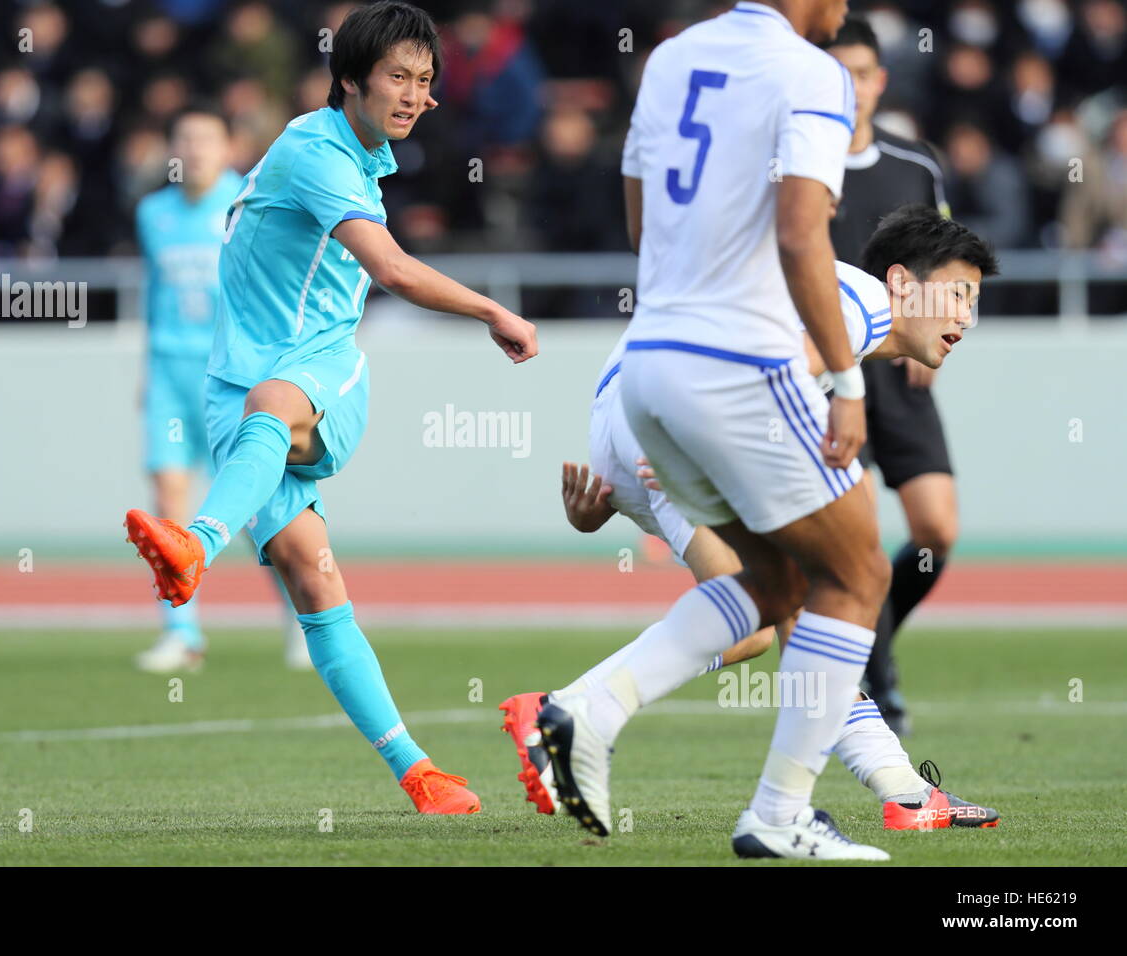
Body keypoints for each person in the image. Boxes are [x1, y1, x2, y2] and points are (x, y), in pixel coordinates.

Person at [123, 1, 538, 814]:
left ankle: (195, 542)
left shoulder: (335, 150)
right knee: (312, 579)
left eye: (425, 81)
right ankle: (419, 773)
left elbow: (382, 270)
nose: (415, 95)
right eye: (398, 77)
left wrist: (491, 311)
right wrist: (493, 310)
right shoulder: (319, 151)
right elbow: (391, 267)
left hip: (316, 375)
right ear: (349, 79)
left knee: (274, 407)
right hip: (237, 395)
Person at [527, 0, 897, 859]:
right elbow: (803, 236)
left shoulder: (668, 59)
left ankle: (591, 707)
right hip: (739, 360)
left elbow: (638, 223)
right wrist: (845, 379)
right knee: (858, 570)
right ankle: (778, 813)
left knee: (776, 586)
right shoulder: (814, 72)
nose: (843, 8)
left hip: (647, 364)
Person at [503, 204, 1000, 833]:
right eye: (958, 293)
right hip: (670, 406)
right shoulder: (860, 302)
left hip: (640, 404)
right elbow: (775, 373)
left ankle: (901, 791)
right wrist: (697, 444)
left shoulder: (838, 315)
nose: (965, 315)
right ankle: (573, 712)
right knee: (823, 593)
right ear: (902, 281)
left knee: (790, 614)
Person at [132, 103, 307, 673]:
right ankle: (182, 633)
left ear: (228, 148)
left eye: (207, 139)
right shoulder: (152, 212)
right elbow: (155, 294)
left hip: (231, 376)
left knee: (257, 515)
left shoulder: (247, 201)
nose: (195, 150)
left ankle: (302, 620)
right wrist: (145, 370)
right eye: (184, 139)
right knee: (167, 504)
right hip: (168, 372)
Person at [825, 17, 963, 734]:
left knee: (936, 531)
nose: (851, 87)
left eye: (862, 73)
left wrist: (939, 331)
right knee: (863, 545)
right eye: (837, 72)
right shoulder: (799, 163)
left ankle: (877, 649)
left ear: (881, 80)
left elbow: (951, 261)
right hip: (830, 376)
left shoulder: (917, 163)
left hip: (900, 376)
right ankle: (877, 684)